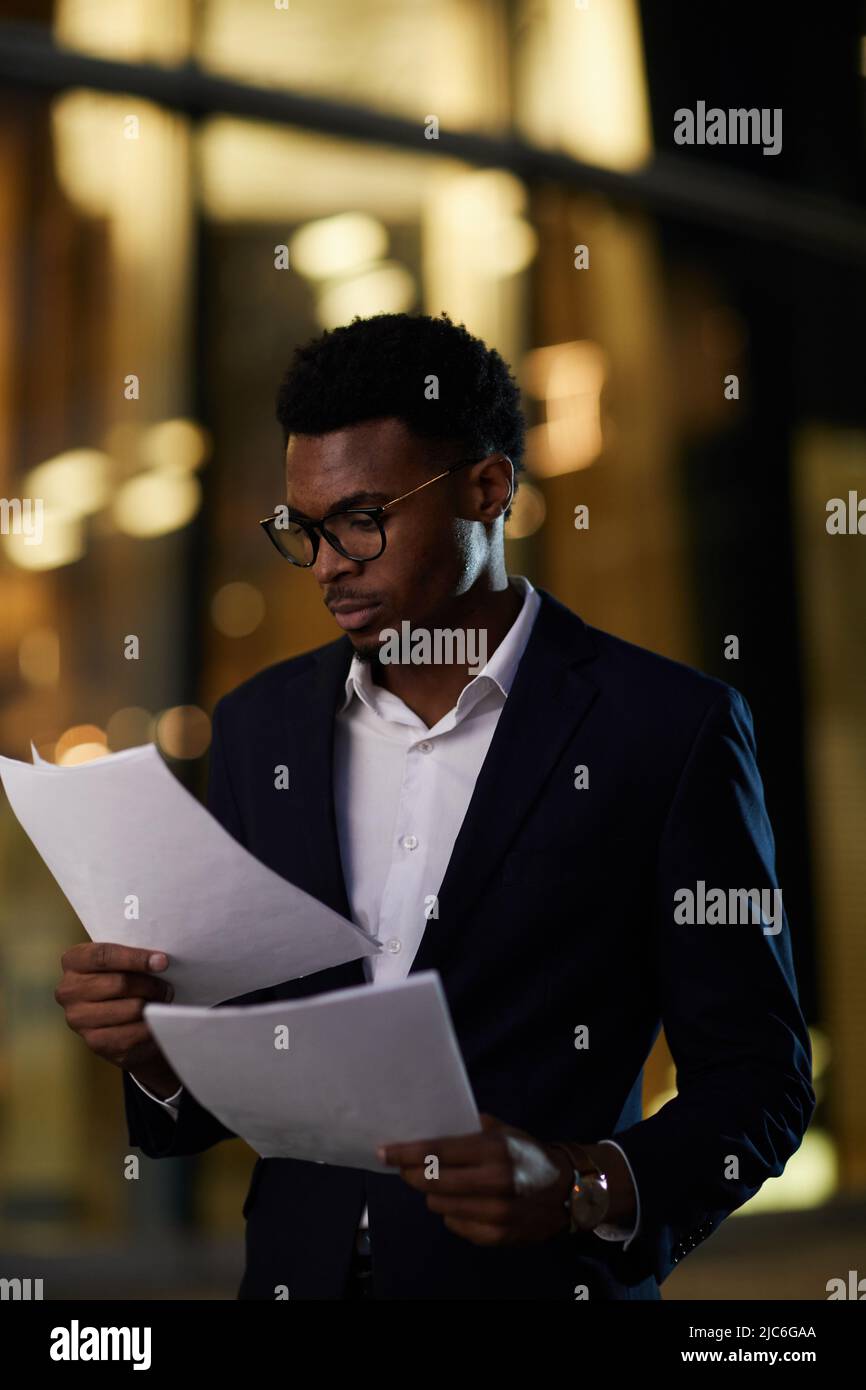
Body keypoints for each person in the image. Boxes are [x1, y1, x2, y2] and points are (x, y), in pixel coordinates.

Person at [55, 312, 815, 1300]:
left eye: (361, 519)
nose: (327, 562)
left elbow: (759, 1081)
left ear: (487, 488)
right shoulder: (259, 728)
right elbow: (233, 1073)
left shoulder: (666, 731)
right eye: (303, 529)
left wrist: (583, 1183)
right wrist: (157, 1047)